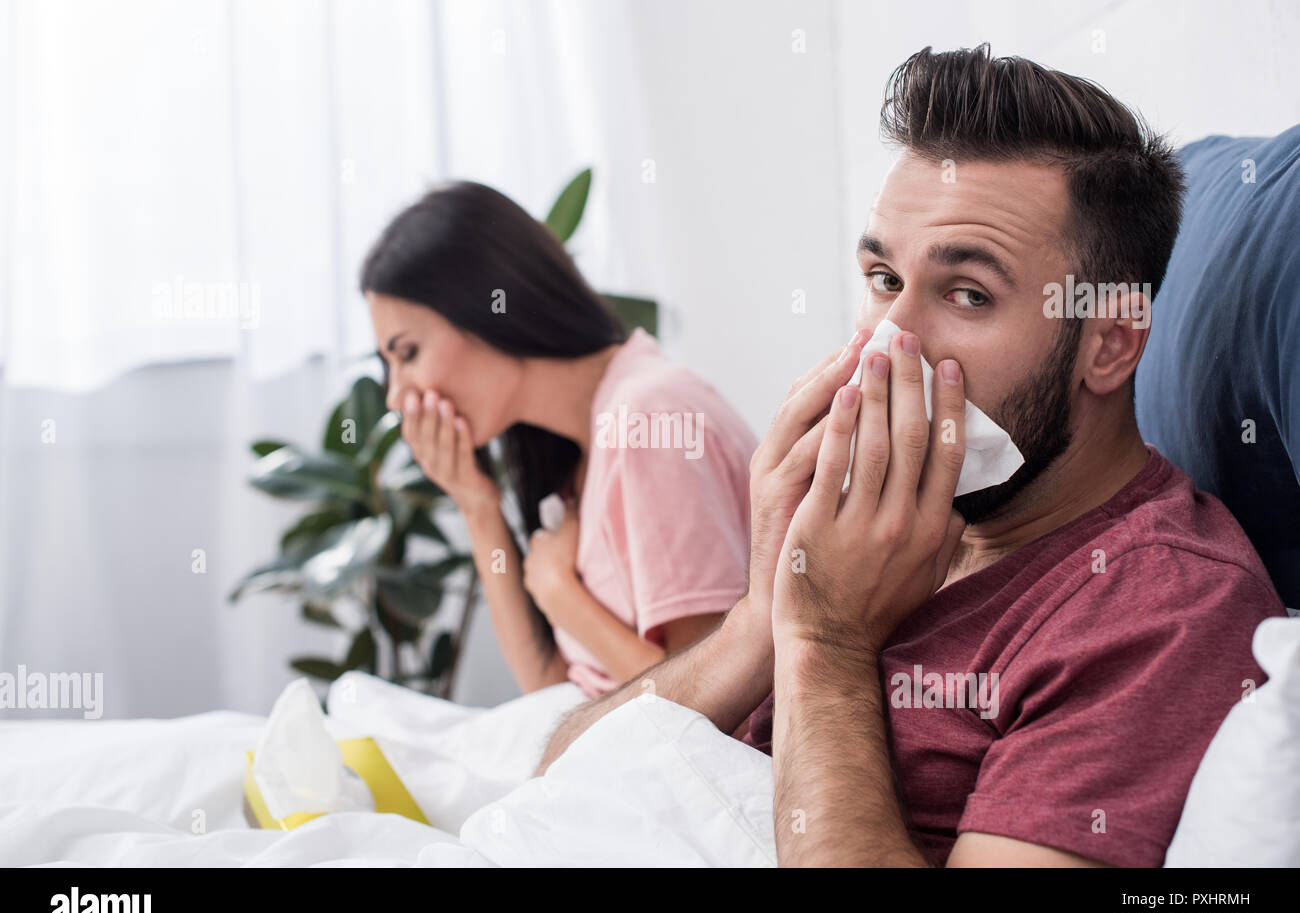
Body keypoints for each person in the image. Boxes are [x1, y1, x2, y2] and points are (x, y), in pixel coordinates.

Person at [537, 45, 1287, 867]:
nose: (893, 342)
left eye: (968, 294)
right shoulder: (878, 531)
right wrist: (764, 614)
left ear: (1108, 342)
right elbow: (555, 786)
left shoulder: (1159, 608)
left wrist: (828, 640)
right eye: (884, 277)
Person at [362, 181, 757, 699]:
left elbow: (714, 708)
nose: (396, 396)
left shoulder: (647, 417)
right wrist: (477, 505)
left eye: (408, 353)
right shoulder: (578, 447)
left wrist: (560, 594)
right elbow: (549, 686)